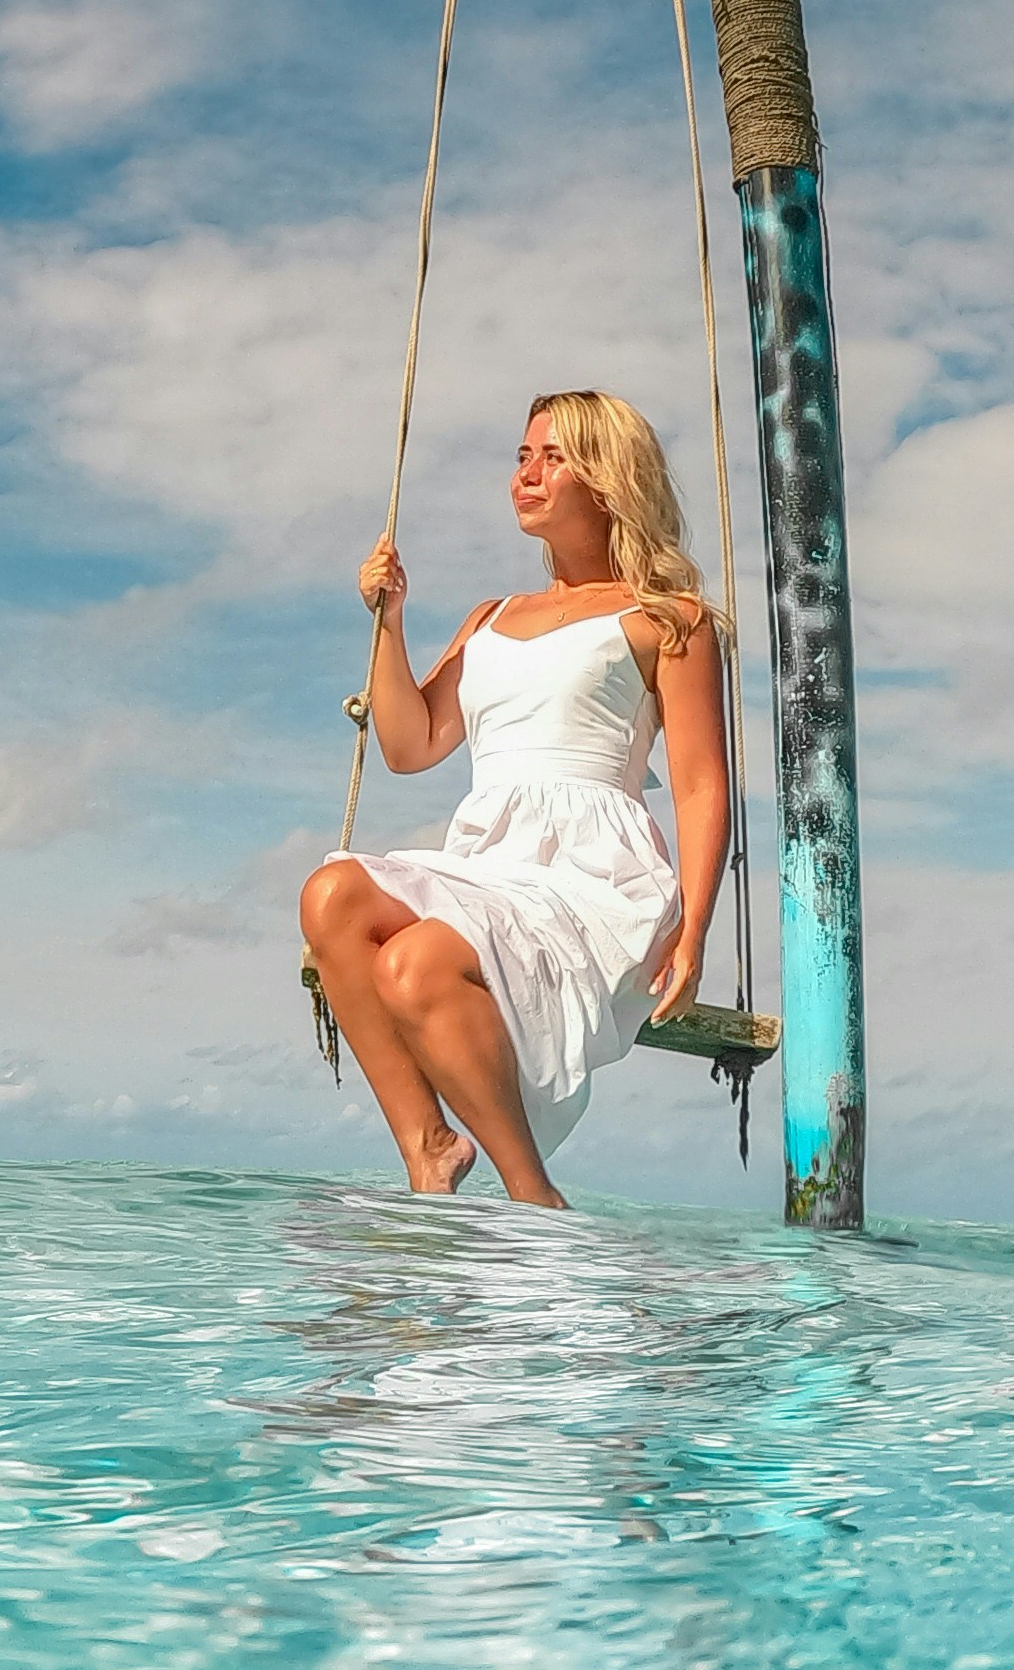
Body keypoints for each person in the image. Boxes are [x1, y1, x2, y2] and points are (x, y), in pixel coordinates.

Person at [296, 389, 731, 1207]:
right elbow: (410, 745)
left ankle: (532, 1195)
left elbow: (702, 784)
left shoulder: (669, 620)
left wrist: (697, 928)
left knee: (417, 963)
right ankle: (429, 1151)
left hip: (594, 876)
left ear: (608, 478)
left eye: (553, 457)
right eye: (522, 456)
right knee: (330, 895)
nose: (527, 474)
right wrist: (389, 621)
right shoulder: (489, 619)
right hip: (490, 863)